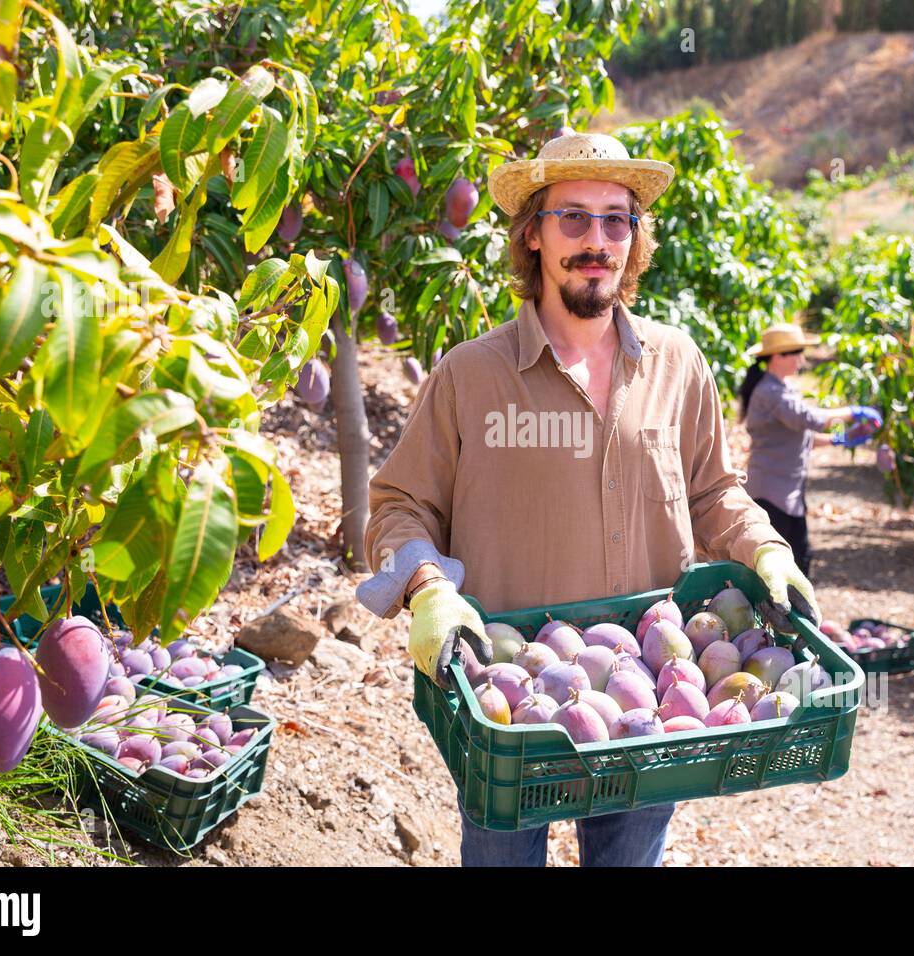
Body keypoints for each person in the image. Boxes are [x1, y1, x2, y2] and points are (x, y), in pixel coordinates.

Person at [355, 131, 821, 867]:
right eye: (572, 217)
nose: (596, 239)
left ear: (635, 241)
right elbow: (399, 505)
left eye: (616, 220)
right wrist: (425, 585)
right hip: (511, 710)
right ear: (533, 234)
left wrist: (762, 545)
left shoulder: (677, 362)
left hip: (649, 696)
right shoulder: (470, 377)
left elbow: (712, 487)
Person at [738, 324, 882, 578]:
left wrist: (840, 439)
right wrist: (852, 412)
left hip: (787, 491)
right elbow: (809, 417)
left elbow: (799, 437)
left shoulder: (781, 388)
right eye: (797, 353)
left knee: (799, 558)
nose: (802, 360)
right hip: (771, 493)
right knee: (782, 565)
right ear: (778, 357)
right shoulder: (770, 393)